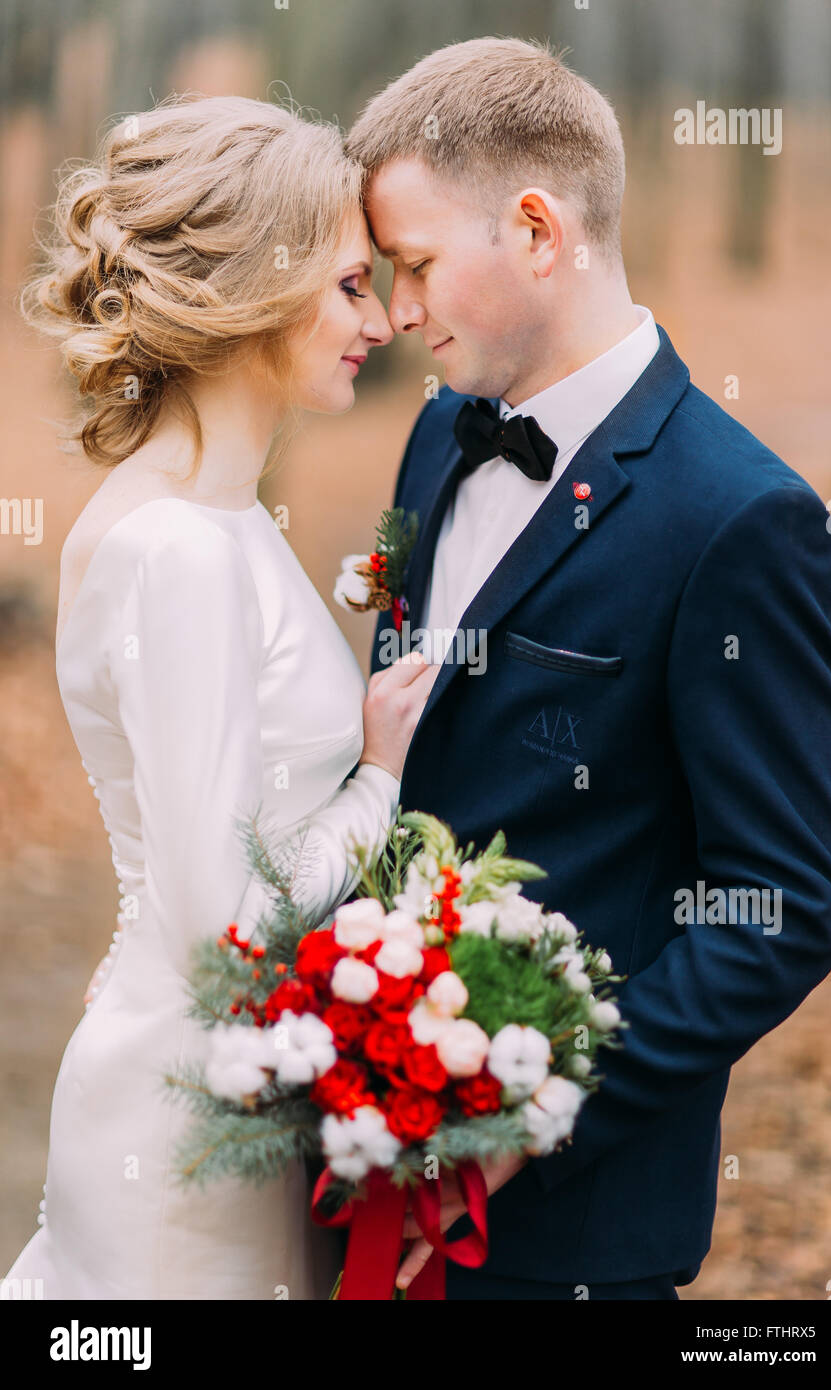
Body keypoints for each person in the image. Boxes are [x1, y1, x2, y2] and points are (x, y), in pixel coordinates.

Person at [346, 36, 831, 1299]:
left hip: (566, 1239)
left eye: (413, 266)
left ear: (534, 229)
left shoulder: (739, 519)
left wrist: (537, 1114)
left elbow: (784, 900)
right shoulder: (434, 436)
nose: (396, 312)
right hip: (358, 1162)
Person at [4, 94, 436, 1299]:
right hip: (184, 1134)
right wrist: (380, 781)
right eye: (350, 286)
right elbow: (219, 931)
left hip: (234, 1092)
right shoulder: (180, 549)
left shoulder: (219, 516)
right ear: (260, 280)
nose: (377, 321)